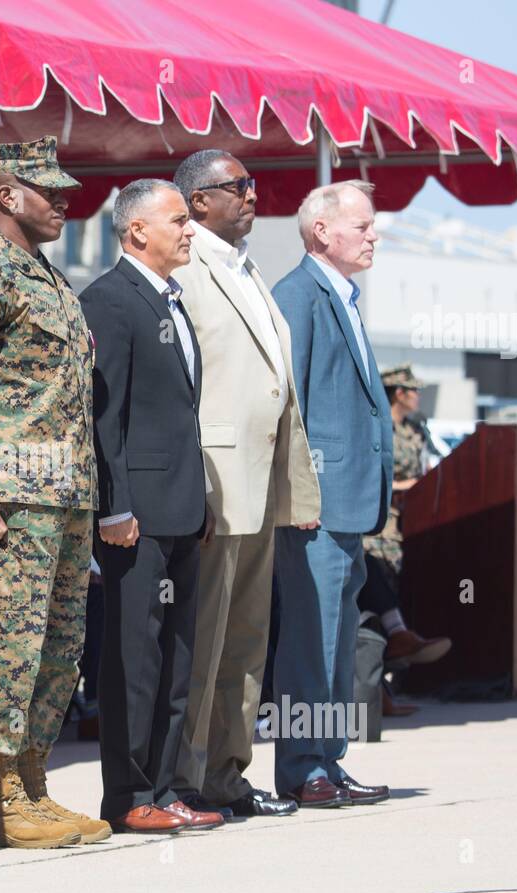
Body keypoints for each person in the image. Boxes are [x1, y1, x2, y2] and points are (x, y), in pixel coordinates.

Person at [0, 135, 109, 849]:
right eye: (49, 189)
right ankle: (2, 796)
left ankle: (34, 785)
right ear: (8, 196)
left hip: (65, 497)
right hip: (11, 499)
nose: (65, 199)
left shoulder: (47, 277)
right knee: (8, 648)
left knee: (58, 650)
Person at [170, 150, 321, 821]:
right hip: (216, 482)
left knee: (247, 639)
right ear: (199, 201)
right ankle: (189, 775)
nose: (253, 196)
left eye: (253, 184)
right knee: (206, 640)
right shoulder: (186, 264)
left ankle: (230, 773)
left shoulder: (247, 267)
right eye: (239, 187)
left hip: (260, 484)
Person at [81, 179, 221, 834]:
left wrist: (202, 498)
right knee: (134, 660)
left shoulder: (170, 300)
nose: (190, 229)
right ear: (137, 231)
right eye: (178, 219)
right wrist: (113, 506)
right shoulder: (111, 300)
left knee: (176, 658)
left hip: (181, 509)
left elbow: (178, 415)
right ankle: (129, 794)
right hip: (135, 516)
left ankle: (166, 788)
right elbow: (104, 417)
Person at [269, 180, 393, 808]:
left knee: (339, 637)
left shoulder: (342, 296)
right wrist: (300, 494)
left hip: (348, 502)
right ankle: (300, 767)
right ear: (323, 232)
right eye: (362, 226)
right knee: (308, 639)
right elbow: (290, 405)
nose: (373, 236)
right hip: (316, 502)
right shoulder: (299, 295)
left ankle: (329, 758)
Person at [363, 364, 452, 668]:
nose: (417, 396)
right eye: (413, 391)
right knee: (378, 589)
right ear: (398, 393)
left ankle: (392, 676)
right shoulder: (375, 427)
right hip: (381, 524)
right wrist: (406, 486)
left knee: (401, 591)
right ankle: (378, 674)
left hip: (412, 522)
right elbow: (371, 477)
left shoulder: (414, 429)